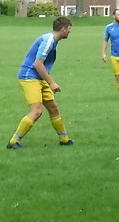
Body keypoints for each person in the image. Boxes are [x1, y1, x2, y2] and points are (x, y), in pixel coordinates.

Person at [6, 17, 75, 149]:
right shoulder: (48, 41)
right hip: (29, 77)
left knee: (53, 109)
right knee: (37, 111)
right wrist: (52, 83)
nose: (69, 32)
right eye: (69, 29)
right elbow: (38, 64)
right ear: (63, 29)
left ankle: (64, 139)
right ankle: (13, 142)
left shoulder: (52, 40)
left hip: (39, 78)